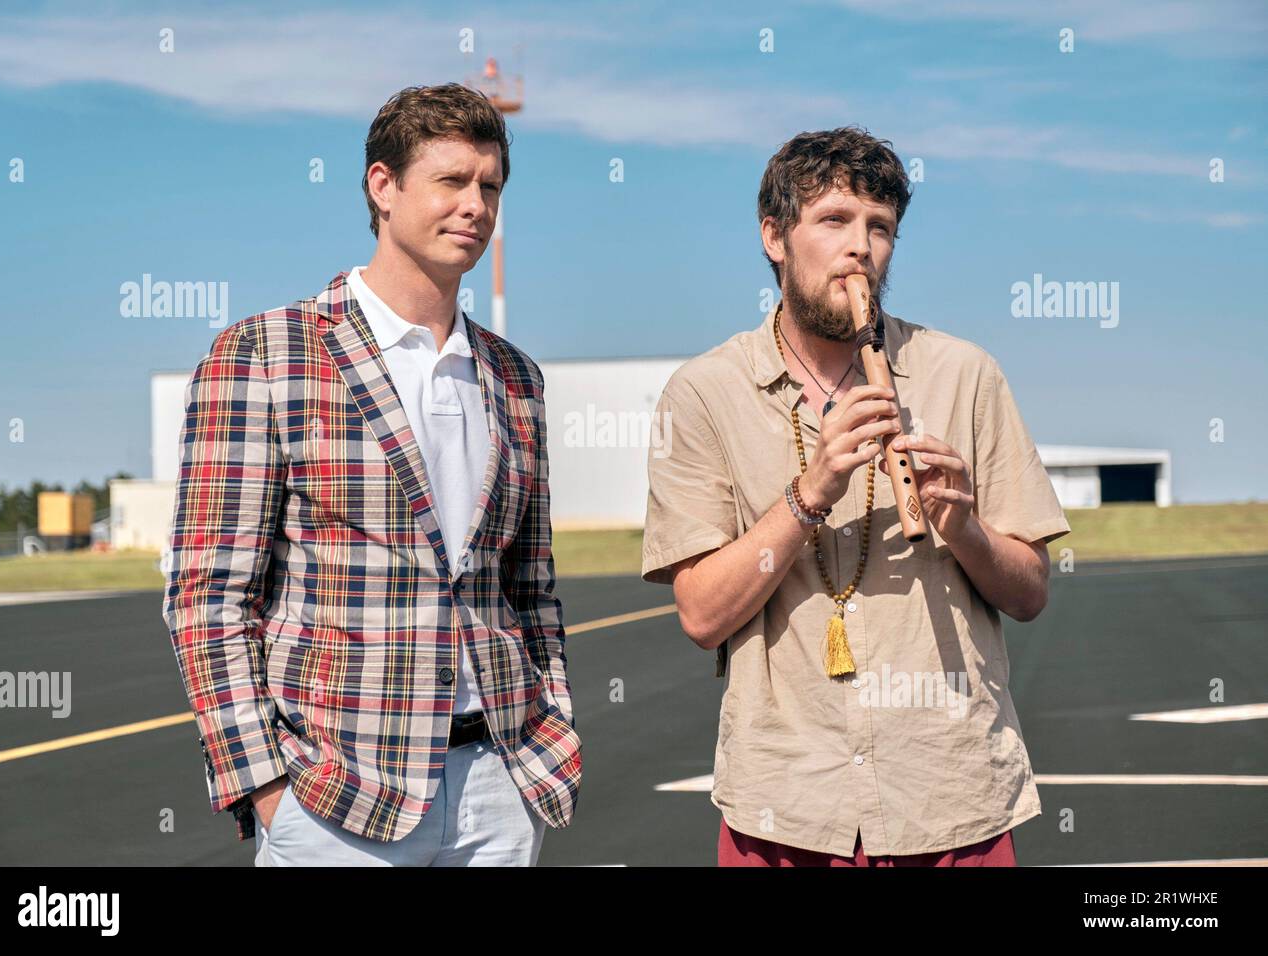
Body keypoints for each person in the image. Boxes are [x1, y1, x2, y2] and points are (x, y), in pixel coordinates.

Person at [162, 83, 580, 866]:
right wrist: (264, 787)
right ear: (382, 188)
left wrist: (551, 723)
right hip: (335, 799)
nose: (477, 206)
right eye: (452, 181)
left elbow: (532, 589)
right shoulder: (263, 354)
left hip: (499, 788)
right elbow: (207, 597)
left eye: (489, 186)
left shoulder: (516, 378)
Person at [641, 127, 1069, 867]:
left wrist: (964, 530)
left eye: (880, 229)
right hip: (786, 809)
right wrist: (810, 492)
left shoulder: (964, 373)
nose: (860, 249)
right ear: (775, 236)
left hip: (950, 797)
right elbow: (702, 614)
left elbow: (1030, 593)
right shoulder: (704, 393)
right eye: (834, 221)